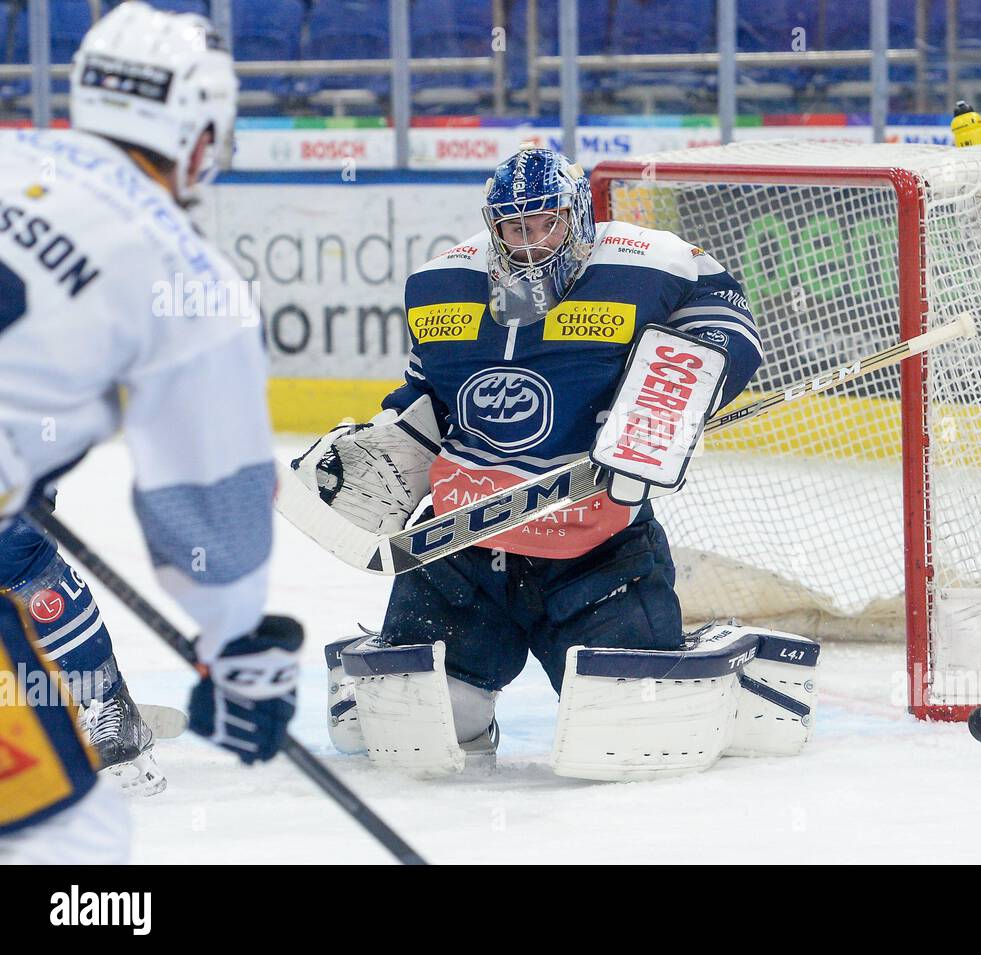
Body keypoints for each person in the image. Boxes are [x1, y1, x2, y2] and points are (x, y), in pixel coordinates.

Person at [295, 145, 777, 775]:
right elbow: (427, 401)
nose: (530, 242)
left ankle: (735, 679)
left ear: (577, 216)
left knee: (630, 727)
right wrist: (385, 448)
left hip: (597, 548)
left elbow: (729, 327)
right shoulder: (440, 283)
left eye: (547, 223)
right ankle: (424, 676)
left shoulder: (650, 264)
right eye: (514, 228)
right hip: (460, 548)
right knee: (427, 725)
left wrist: (662, 404)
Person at [0, 2, 300, 863]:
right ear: (200, 129)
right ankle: (100, 715)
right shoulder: (184, 274)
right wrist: (239, 658)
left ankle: (96, 703)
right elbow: (210, 517)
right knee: (75, 848)